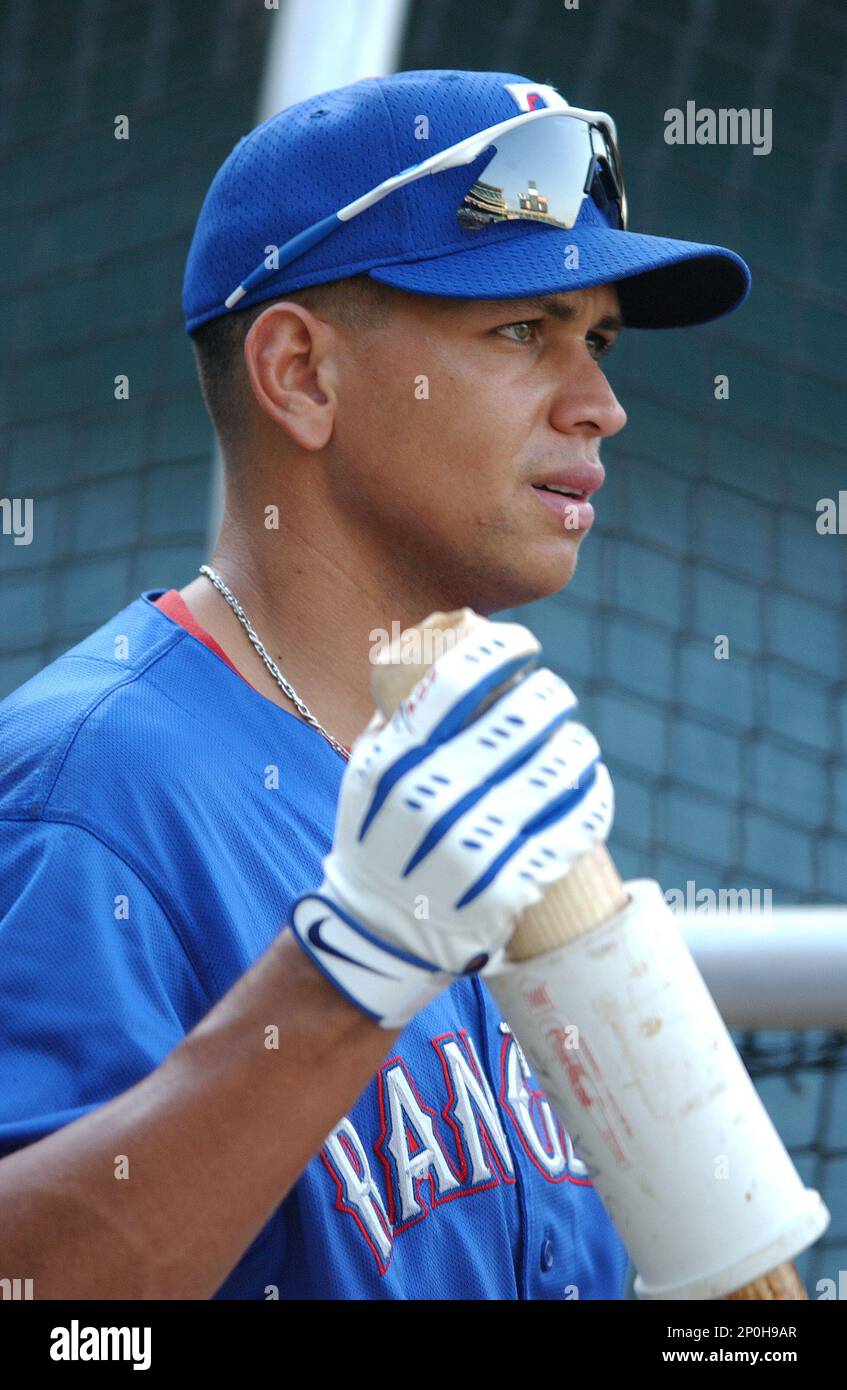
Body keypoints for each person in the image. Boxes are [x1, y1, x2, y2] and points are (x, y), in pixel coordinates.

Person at [0, 69, 750, 1300]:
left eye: (600, 340)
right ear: (300, 374)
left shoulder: (490, 794)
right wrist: (346, 972)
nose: (601, 405)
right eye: (524, 330)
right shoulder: (85, 794)